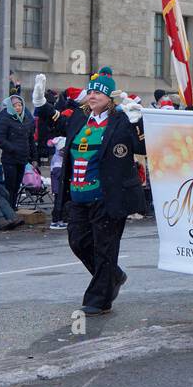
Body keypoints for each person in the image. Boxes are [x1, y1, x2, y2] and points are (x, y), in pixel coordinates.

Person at [60, 70, 147, 315]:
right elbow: (57, 125)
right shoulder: (81, 119)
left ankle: (99, 299)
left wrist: (137, 123)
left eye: (98, 92)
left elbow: (142, 147)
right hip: (78, 195)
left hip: (108, 195)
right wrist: (41, 105)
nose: (92, 96)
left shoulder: (121, 120)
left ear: (110, 97)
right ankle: (114, 276)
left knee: (105, 247)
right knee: (78, 241)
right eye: (90, 91)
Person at [0, 92, 36, 207]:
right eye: (15, 105)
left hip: (22, 158)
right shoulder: (5, 119)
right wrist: (14, 149)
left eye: (20, 105)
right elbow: (1, 140)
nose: (18, 107)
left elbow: (31, 140)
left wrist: (34, 157)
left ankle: (13, 206)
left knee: (17, 185)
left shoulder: (26, 119)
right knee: (10, 185)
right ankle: (9, 208)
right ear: (10, 106)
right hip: (10, 159)